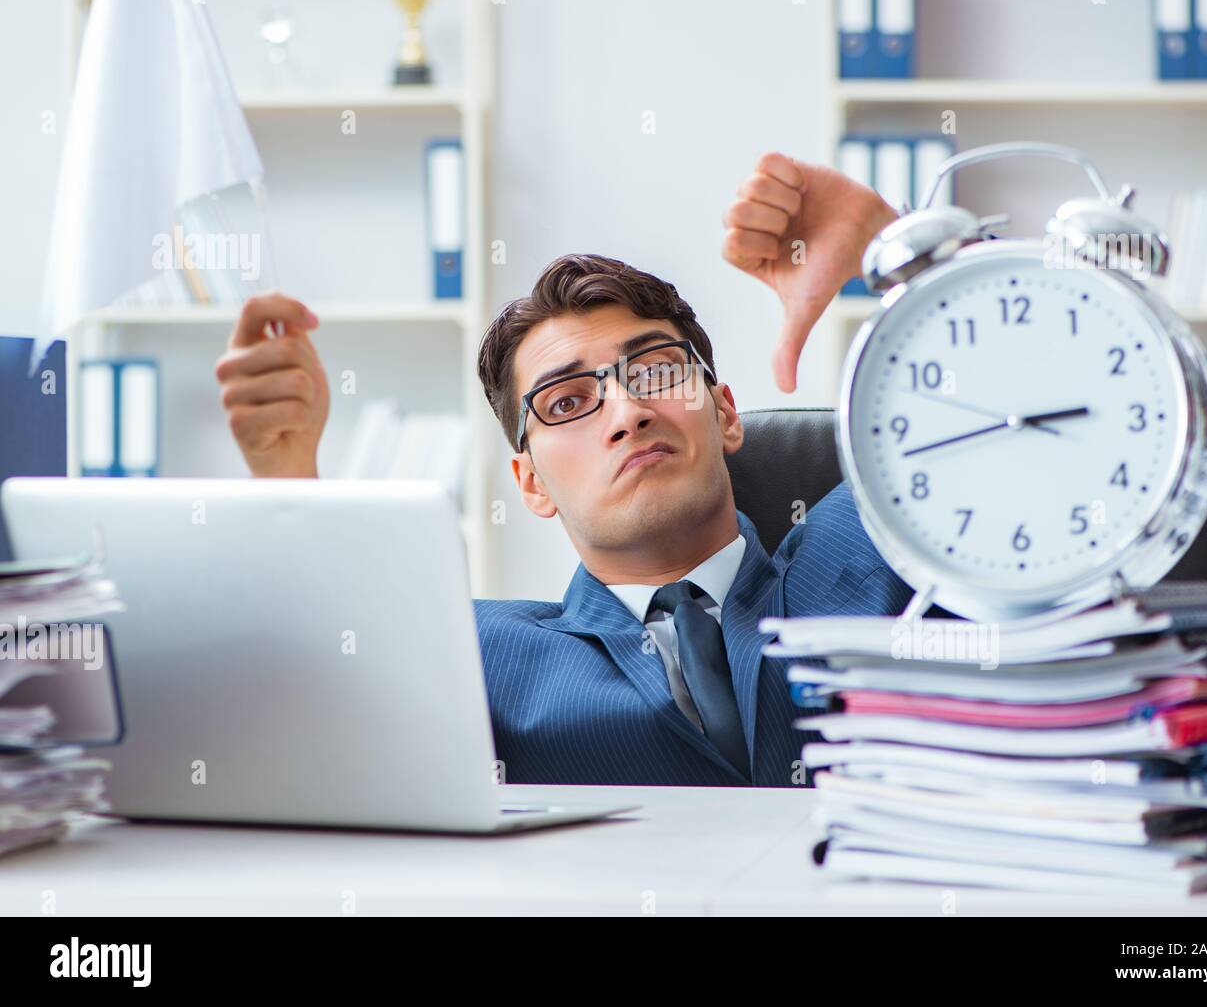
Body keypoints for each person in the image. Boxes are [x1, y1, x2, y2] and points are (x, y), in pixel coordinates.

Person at [214, 154, 909, 786]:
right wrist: (285, 477)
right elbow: (300, 727)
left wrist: (903, 257)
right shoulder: (476, 654)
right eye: (568, 400)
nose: (628, 411)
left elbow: (1009, 414)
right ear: (530, 483)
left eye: (656, 370)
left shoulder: (872, 540)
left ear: (725, 413)